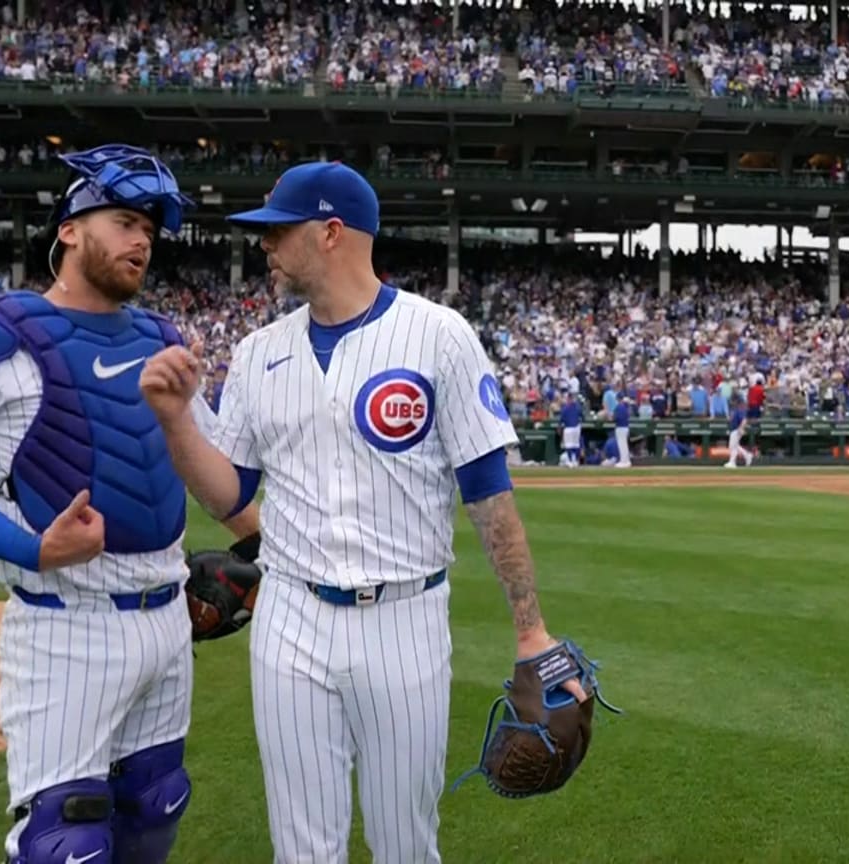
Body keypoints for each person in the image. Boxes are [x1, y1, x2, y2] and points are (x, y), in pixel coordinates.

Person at [137, 160, 585, 864]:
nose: (266, 247)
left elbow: (489, 494)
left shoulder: (438, 337)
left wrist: (531, 631)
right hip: (287, 616)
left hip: (402, 617)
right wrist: (174, 422)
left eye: (279, 232)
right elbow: (230, 493)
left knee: (404, 840)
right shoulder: (258, 354)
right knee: (301, 845)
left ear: (332, 233)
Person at [0, 144, 260, 864]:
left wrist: (264, 551)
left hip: (167, 620)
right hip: (66, 627)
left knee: (155, 802)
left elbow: (216, 473)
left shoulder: (163, 339)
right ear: (68, 228)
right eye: (126, 221)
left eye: (151, 232)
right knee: (67, 836)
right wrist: (38, 548)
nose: (141, 242)